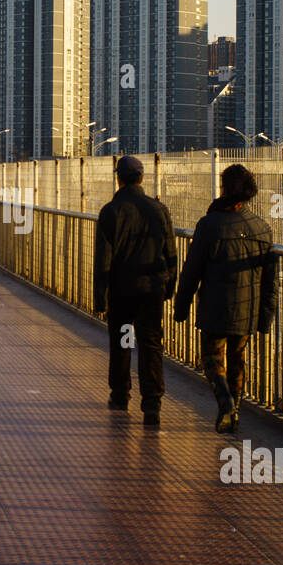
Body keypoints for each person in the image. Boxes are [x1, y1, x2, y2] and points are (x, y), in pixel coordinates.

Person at [173, 163, 277, 434]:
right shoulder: (262, 228)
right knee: (237, 358)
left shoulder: (209, 225)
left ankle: (225, 404)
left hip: (214, 309)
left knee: (212, 358)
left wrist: (181, 305)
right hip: (247, 309)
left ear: (224, 188)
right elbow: (270, 281)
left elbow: (192, 269)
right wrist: (265, 317)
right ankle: (236, 412)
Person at [93, 155, 177, 427]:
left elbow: (102, 259)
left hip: (120, 291)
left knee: (122, 341)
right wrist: (169, 285)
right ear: (142, 178)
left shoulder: (110, 211)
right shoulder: (158, 209)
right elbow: (171, 252)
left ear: (118, 179)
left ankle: (120, 394)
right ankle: (152, 403)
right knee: (151, 344)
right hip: (150, 290)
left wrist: (100, 297)